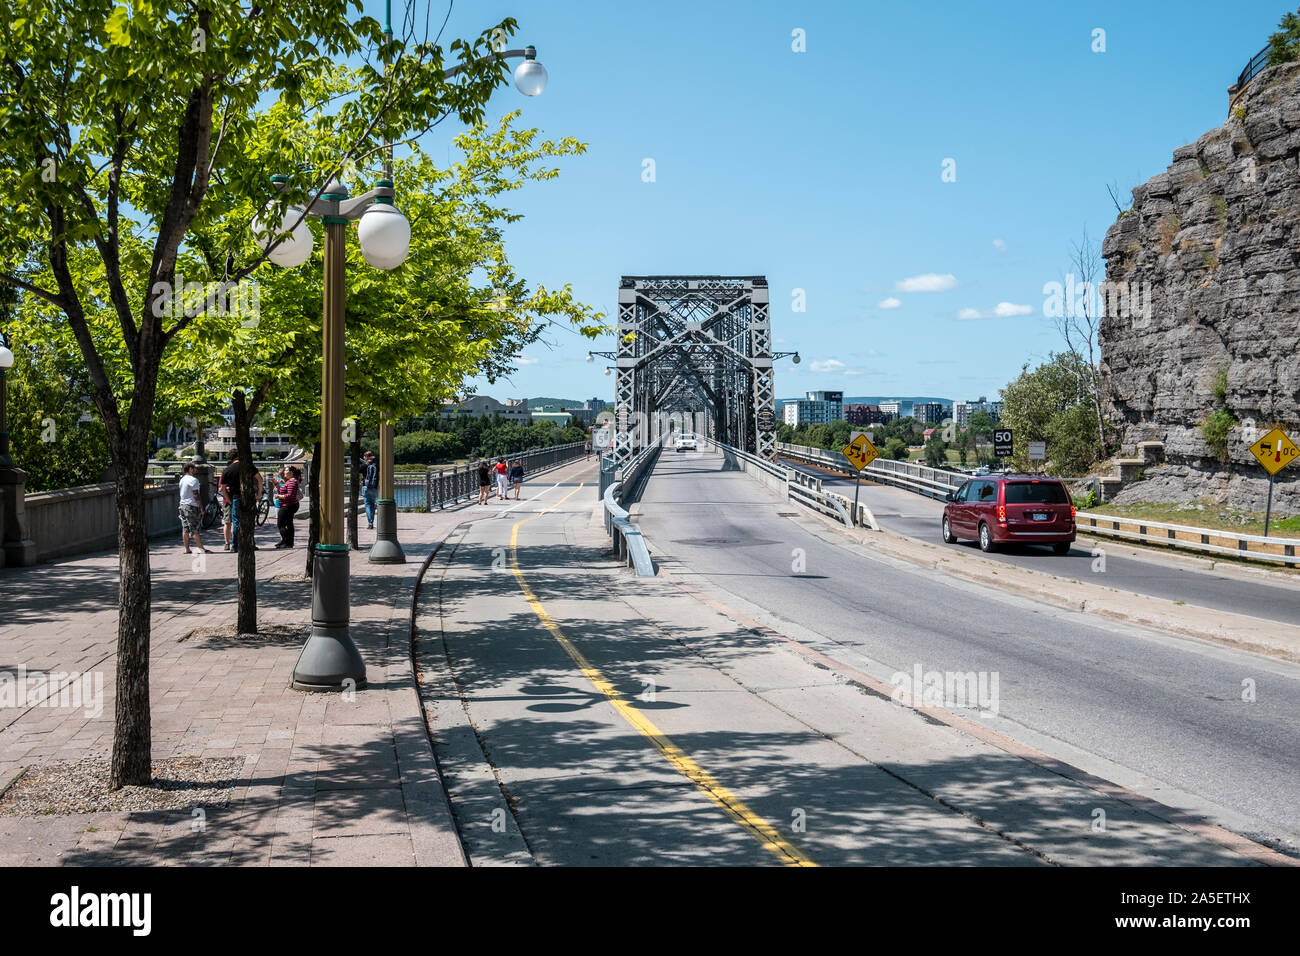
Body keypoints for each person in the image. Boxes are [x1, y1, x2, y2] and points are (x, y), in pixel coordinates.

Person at [178, 462, 205, 554]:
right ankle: (201, 549)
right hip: (191, 506)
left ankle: (187, 549)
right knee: (194, 528)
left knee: (185, 528)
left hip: (182, 505)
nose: (196, 470)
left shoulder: (182, 479)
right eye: (194, 468)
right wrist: (201, 507)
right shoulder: (194, 480)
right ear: (190, 469)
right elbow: (196, 495)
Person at [275, 466, 302, 549]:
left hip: (288, 505)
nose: (284, 472)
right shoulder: (289, 481)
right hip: (287, 505)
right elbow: (284, 490)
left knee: (280, 524)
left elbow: (290, 495)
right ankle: (288, 542)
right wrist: (276, 484)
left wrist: (279, 496)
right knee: (288, 524)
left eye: (286, 470)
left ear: (291, 473)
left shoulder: (292, 481)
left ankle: (286, 541)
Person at [219, 453, 240, 551]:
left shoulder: (229, 471)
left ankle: (235, 543)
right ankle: (227, 542)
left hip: (234, 499)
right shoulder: (226, 473)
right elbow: (221, 488)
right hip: (227, 501)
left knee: (234, 522)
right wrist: (227, 489)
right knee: (228, 522)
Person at [361, 449, 379, 530]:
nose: (363, 457)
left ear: (366, 457)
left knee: (367, 505)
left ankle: (370, 523)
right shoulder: (376, 465)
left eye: (364, 456)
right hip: (374, 487)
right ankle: (372, 521)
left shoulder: (365, 465)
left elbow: (358, 470)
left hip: (366, 487)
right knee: (372, 505)